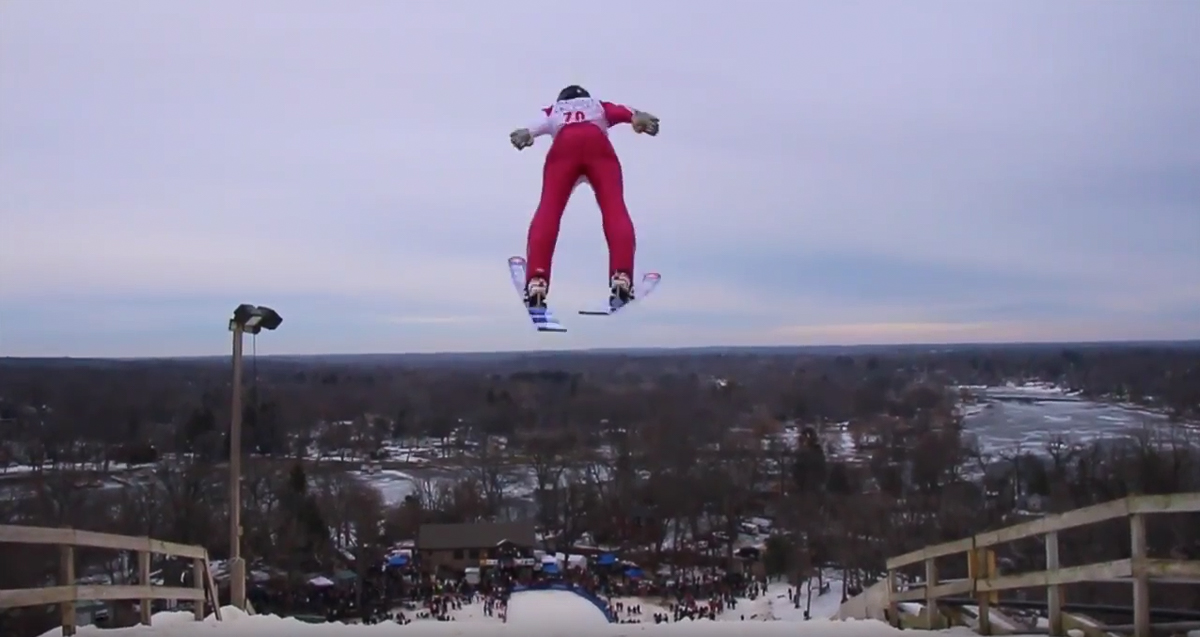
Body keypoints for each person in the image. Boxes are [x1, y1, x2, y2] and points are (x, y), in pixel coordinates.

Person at [509, 85, 660, 309]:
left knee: (549, 210)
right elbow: (625, 112)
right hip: (599, 148)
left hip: (563, 150)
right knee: (614, 209)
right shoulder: (597, 105)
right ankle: (622, 276)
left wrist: (526, 134)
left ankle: (537, 281)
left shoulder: (554, 109)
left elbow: (533, 126)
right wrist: (638, 118)